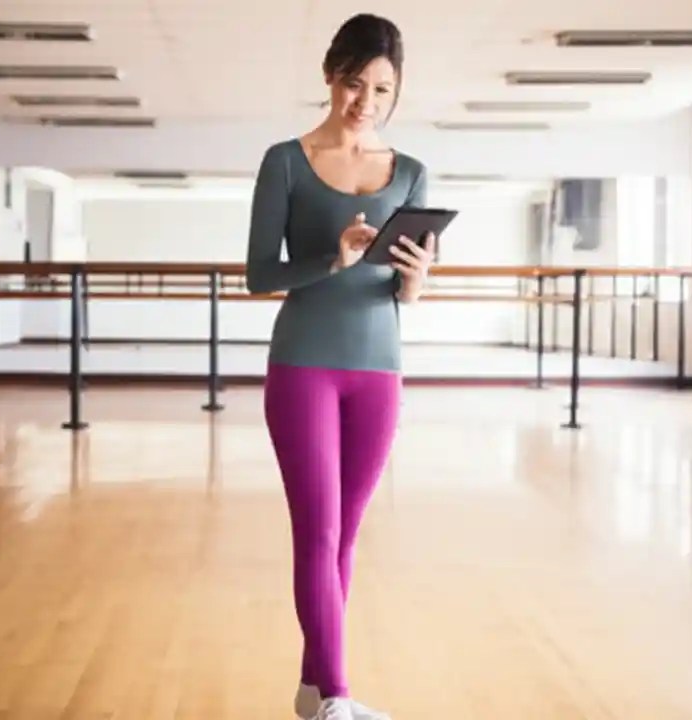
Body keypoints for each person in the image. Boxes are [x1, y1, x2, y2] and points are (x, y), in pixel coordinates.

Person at [243, 12, 434, 720]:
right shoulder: (285, 161)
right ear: (331, 75)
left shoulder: (410, 173)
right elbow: (260, 273)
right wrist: (333, 258)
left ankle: (311, 688)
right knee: (318, 531)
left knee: (346, 536)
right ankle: (340, 702)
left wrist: (415, 279)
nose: (366, 102)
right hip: (303, 367)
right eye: (355, 84)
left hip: (378, 370)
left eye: (382, 90)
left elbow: (404, 293)